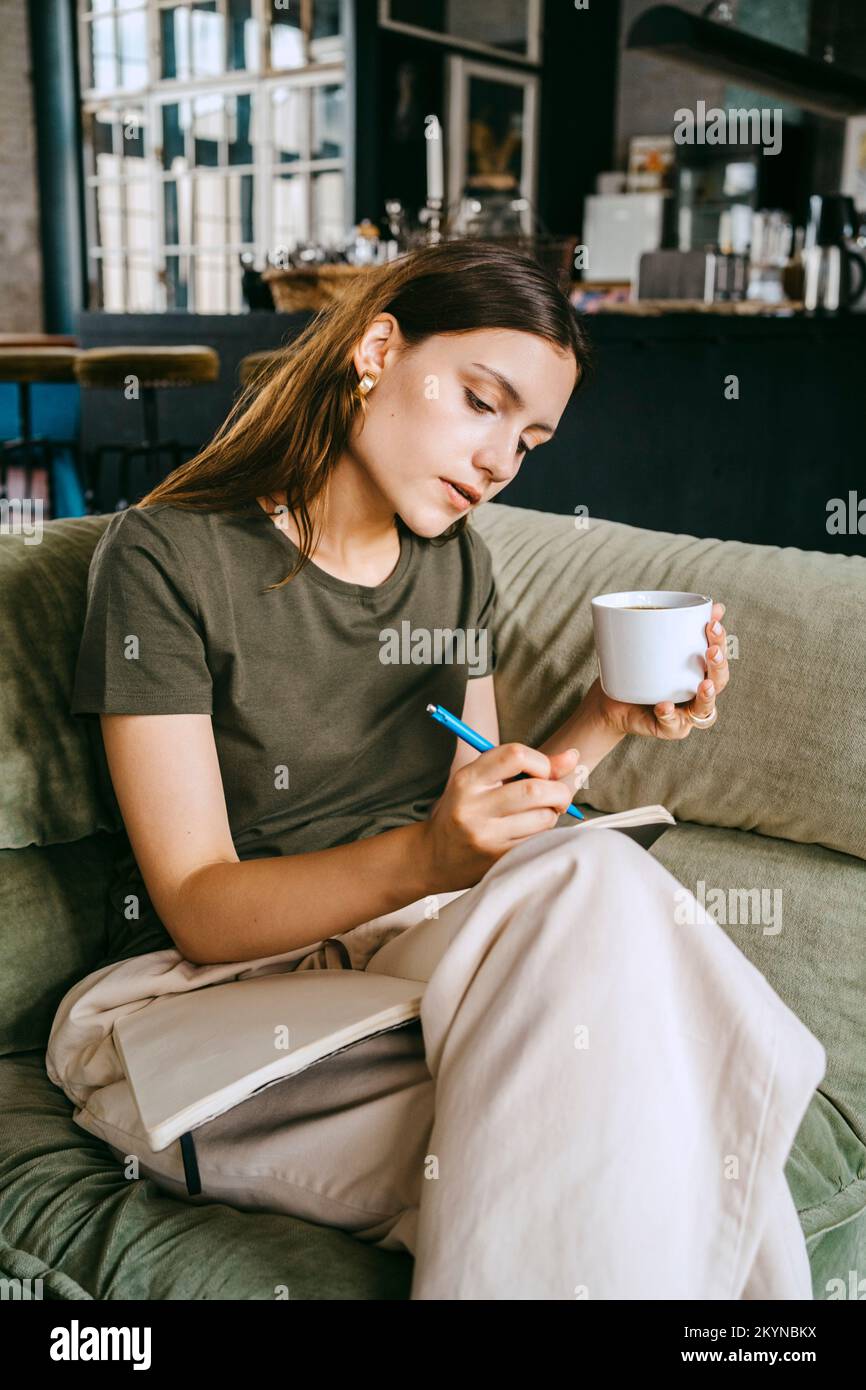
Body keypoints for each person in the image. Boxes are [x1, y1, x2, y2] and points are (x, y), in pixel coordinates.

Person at [46, 240, 825, 1300]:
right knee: (650, 1103)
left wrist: (604, 720)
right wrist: (427, 854)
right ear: (375, 351)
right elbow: (200, 909)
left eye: (529, 436)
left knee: (612, 1037)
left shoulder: (454, 562)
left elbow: (484, 806)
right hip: (218, 1005)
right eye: (478, 400)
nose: (502, 459)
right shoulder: (165, 558)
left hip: (412, 968)